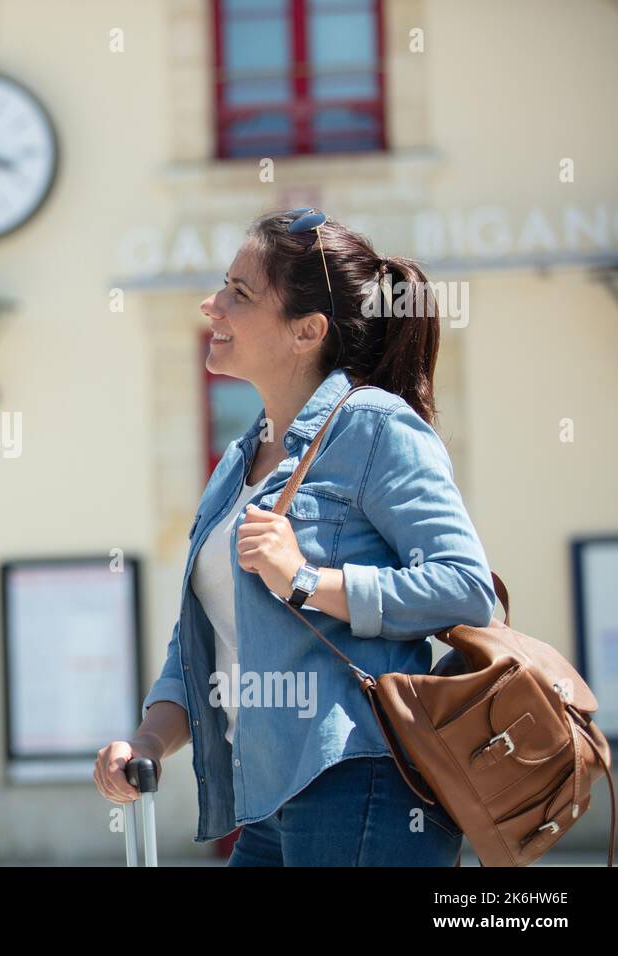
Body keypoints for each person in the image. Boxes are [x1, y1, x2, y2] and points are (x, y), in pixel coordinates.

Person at [93, 208, 496, 866]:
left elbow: (465, 588)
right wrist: (147, 742)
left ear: (307, 330)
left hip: (360, 784)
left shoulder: (374, 428)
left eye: (239, 294)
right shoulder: (238, 461)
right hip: (268, 801)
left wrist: (308, 580)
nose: (211, 305)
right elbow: (202, 638)